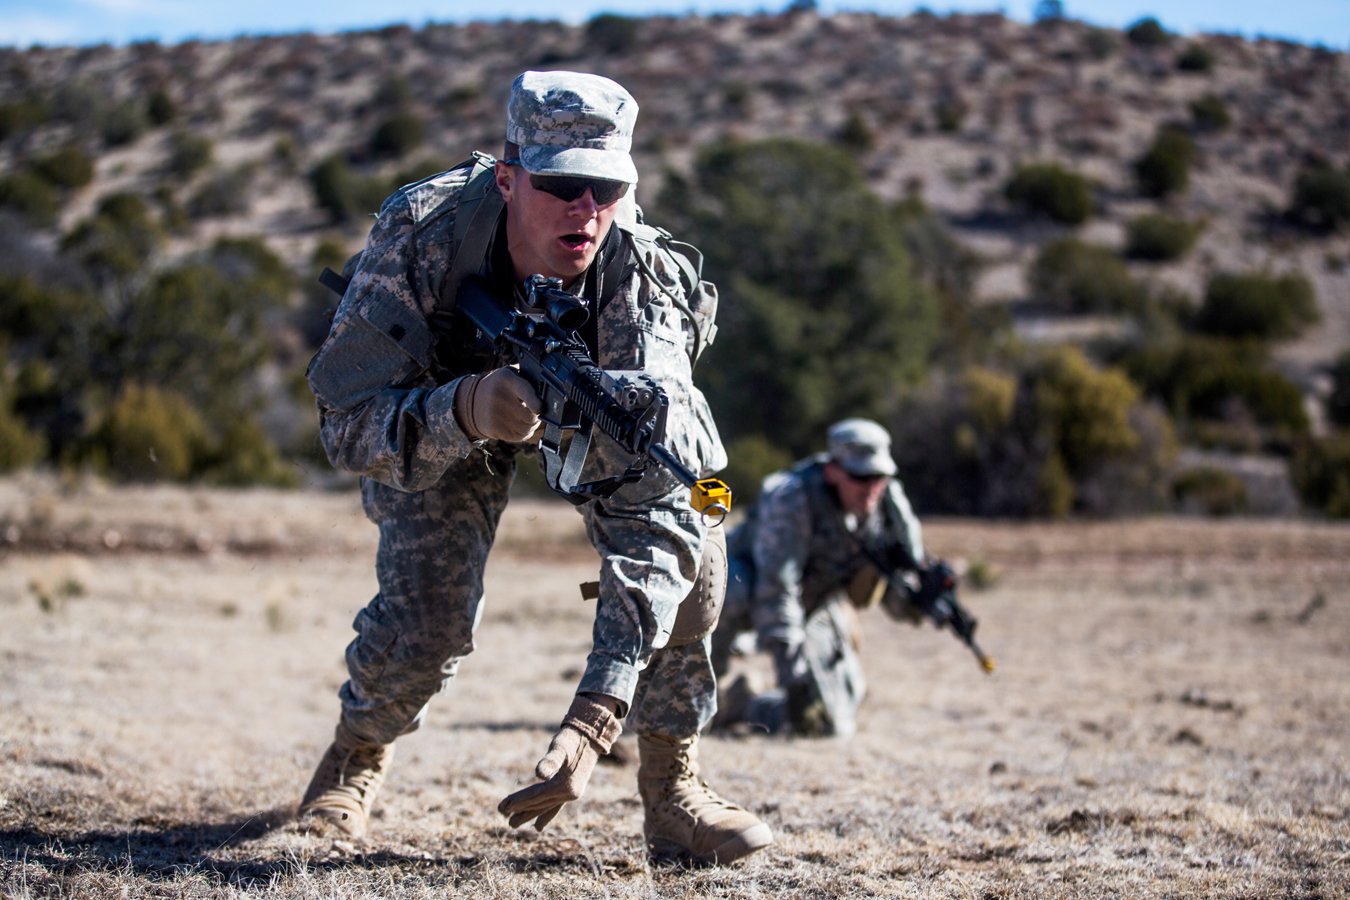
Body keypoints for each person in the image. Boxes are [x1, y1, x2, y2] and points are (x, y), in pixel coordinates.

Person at [298, 70, 772, 866]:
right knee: (429, 624)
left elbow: (664, 513)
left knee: (697, 543)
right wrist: (464, 409)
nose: (587, 211)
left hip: (586, 416)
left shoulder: (642, 282)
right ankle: (354, 760)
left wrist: (596, 713)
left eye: (608, 188)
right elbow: (345, 426)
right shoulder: (424, 236)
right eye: (563, 184)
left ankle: (673, 791)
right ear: (509, 178)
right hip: (441, 409)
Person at [711, 418, 937, 738]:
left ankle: (742, 703)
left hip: (814, 604)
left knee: (828, 725)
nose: (871, 487)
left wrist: (919, 601)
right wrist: (794, 681)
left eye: (880, 476)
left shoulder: (886, 506)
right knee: (725, 590)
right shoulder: (792, 497)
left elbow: (886, 588)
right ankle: (694, 698)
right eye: (860, 476)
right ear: (832, 470)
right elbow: (777, 591)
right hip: (751, 590)